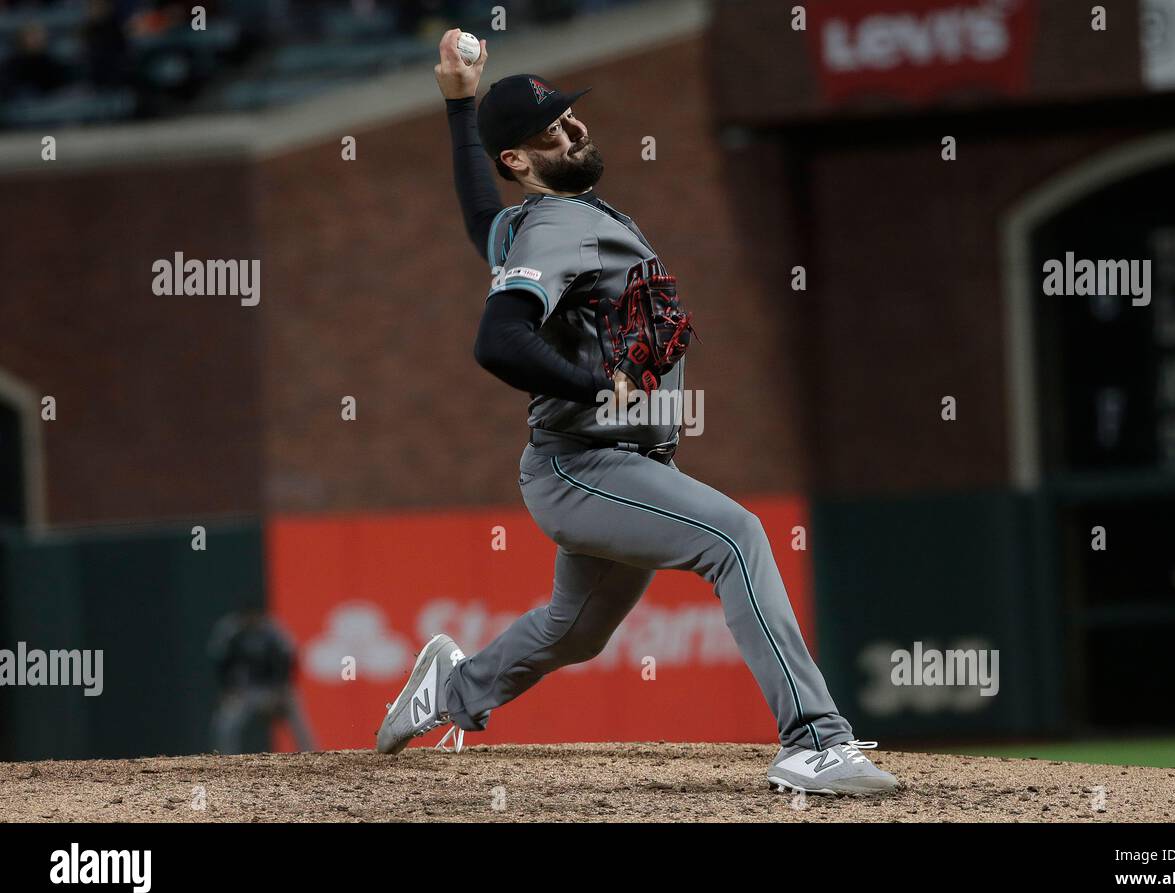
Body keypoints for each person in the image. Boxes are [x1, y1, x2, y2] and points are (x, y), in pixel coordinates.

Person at [374, 30, 896, 796]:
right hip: (583, 462)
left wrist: (460, 107)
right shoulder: (559, 226)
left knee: (576, 630)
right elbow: (499, 338)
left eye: (570, 117)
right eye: (551, 129)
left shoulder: (533, 224)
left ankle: (450, 687)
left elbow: (478, 218)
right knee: (737, 536)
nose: (574, 128)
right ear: (520, 159)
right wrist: (594, 387)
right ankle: (814, 740)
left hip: (623, 462)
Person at [210, 598, 316, 754]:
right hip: (244, 692)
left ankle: (311, 755)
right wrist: (227, 690)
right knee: (225, 722)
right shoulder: (231, 630)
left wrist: (282, 689)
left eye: (255, 616)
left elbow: (289, 659)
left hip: (273, 689)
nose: (252, 620)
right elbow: (221, 663)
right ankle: (224, 760)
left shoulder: (273, 629)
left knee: (297, 713)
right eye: (248, 616)